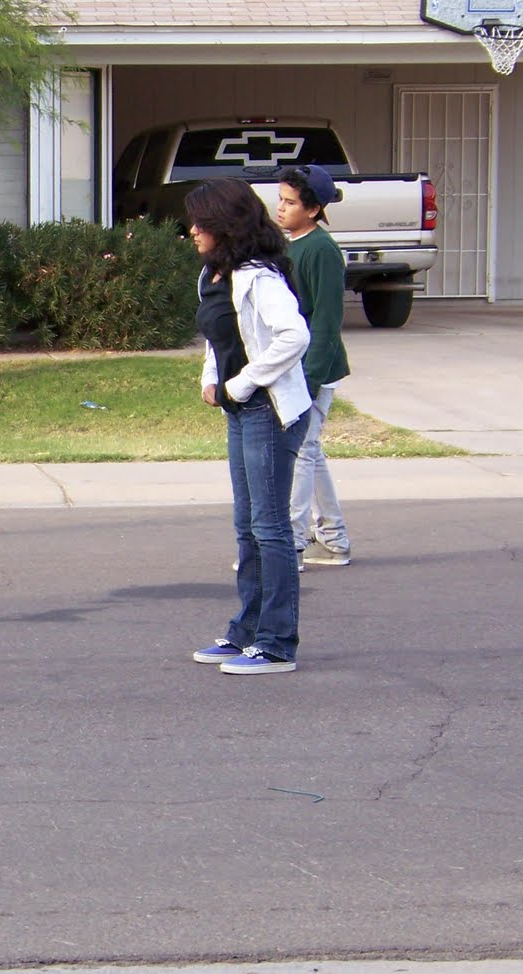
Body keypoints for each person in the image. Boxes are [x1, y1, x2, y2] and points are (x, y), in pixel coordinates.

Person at [186, 178, 313, 675]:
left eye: (201, 221)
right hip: (241, 412)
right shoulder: (214, 274)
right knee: (247, 527)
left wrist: (241, 384)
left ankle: (277, 643)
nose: (192, 229)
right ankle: (247, 632)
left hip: (270, 412)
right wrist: (212, 378)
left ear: (225, 224)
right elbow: (219, 338)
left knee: (270, 527)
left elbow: (293, 336)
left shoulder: (259, 276)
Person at [278, 164, 353, 567]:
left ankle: (290, 544)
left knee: (302, 452)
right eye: (281, 200)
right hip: (297, 366)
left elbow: (326, 319)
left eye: (290, 202)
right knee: (312, 450)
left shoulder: (321, 250)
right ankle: (335, 539)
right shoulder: (295, 244)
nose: (281, 209)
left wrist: (310, 378)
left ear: (314, 208)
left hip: (315, 370)